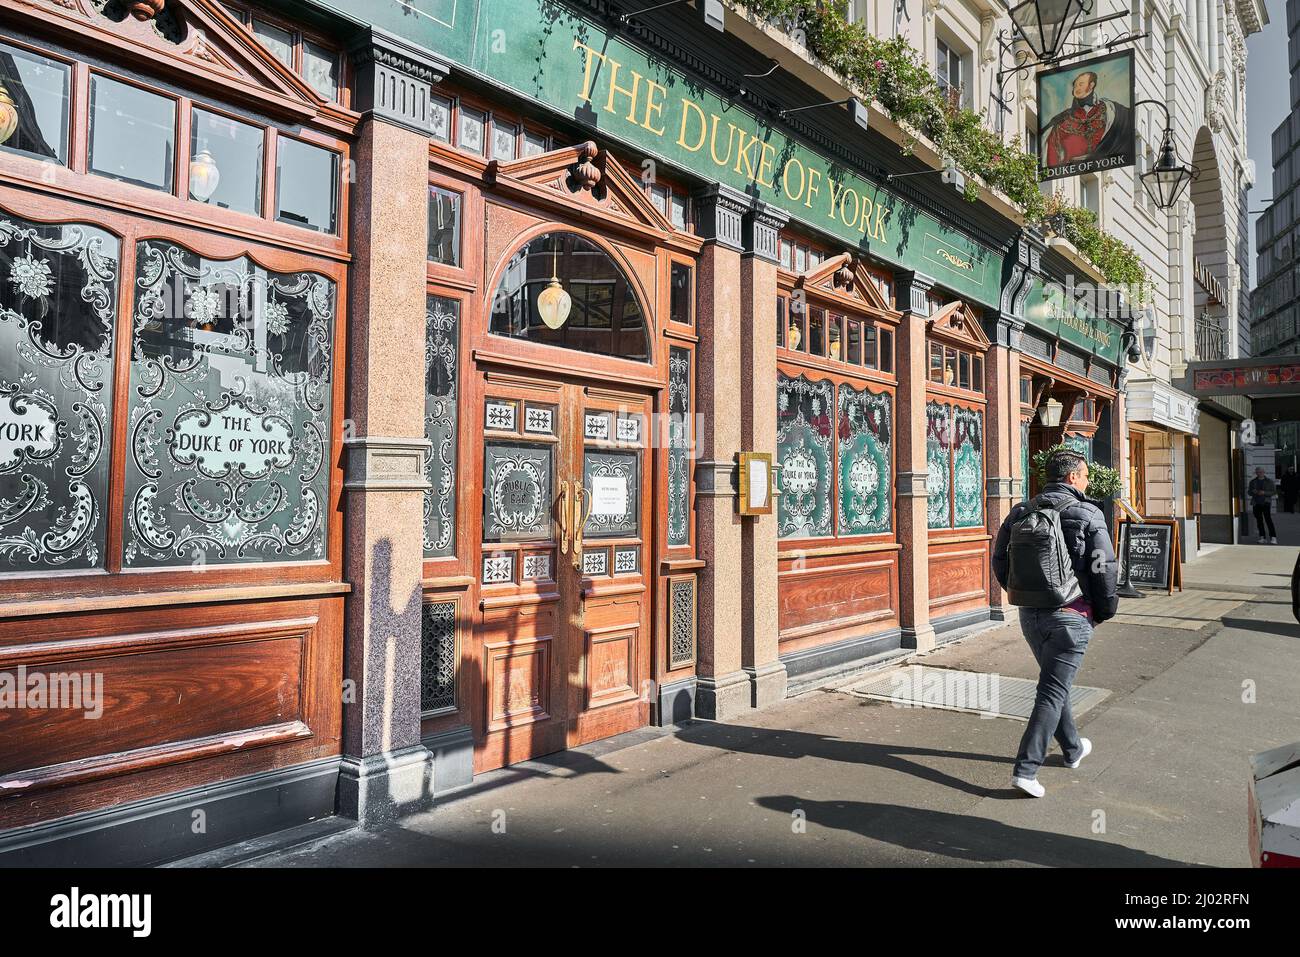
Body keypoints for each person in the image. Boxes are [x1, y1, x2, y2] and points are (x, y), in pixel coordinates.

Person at [992, 450, 1118, 798]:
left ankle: (1074, 748)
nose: (1088, 481)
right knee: (1051, 691)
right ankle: (1026, 770)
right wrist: (1102, 610)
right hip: (1071, 615)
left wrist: (1020, 593)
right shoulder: (1088, 512)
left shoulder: (1021, 511)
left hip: (1030, 615)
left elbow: (1000, 559)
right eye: (1086, 475)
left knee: (1054, 685)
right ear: (1074, 477)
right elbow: (1103, 566)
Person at [1042, 69, 1134, 169]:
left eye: (1081, 84)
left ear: (1091, 85)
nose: (1077, 88)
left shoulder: (1110, 111)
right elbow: (1052, 156)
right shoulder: (1061, 121)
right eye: (1075, 85)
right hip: (1071, 175)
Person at [1248, 467, 1278, 544]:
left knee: (1268, 520)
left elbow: (1274, 492)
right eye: (1258, 472)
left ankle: (1273, 537)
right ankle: (1262, 537)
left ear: (1264, 472)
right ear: (1256, 473)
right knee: (1259, 521)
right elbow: (1249, 492)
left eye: (1261, 472)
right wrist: (1253, 492)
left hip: (1266, 502)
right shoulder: (1253, 482)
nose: (1259, 473)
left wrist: (1264, 493)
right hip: (1256, 503)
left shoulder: (1269, 481)